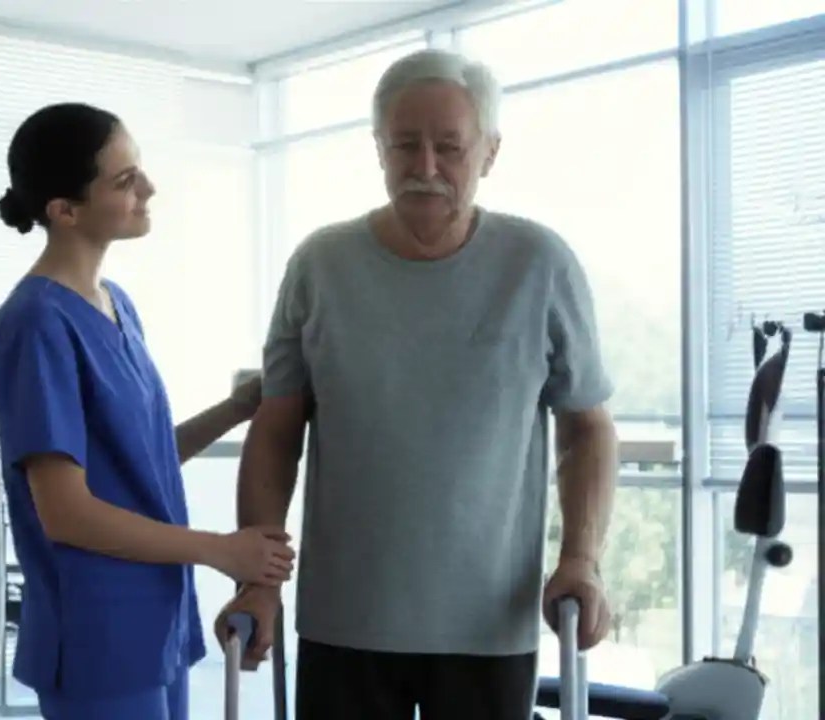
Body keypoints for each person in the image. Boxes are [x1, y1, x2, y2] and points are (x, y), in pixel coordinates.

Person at [215, 48, 619, 719]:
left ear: (489, 152)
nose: (424, 167)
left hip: (488, 624)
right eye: (404, 145)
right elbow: (278, 426)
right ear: (378, 148)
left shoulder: (539, 264)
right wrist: (257, 581)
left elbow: (587, 428)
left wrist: (582, 557)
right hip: (345, 620)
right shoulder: (321, 264)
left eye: (449, 147)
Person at [0, 102, 296, 720]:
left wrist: (235, 409)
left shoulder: (115, 304)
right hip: (97, 633)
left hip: (156, 622)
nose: (148, 188)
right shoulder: (36, 323)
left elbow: (137, 463)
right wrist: (218, 549)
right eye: (125, 181)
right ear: (64, 211)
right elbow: (67, 512)